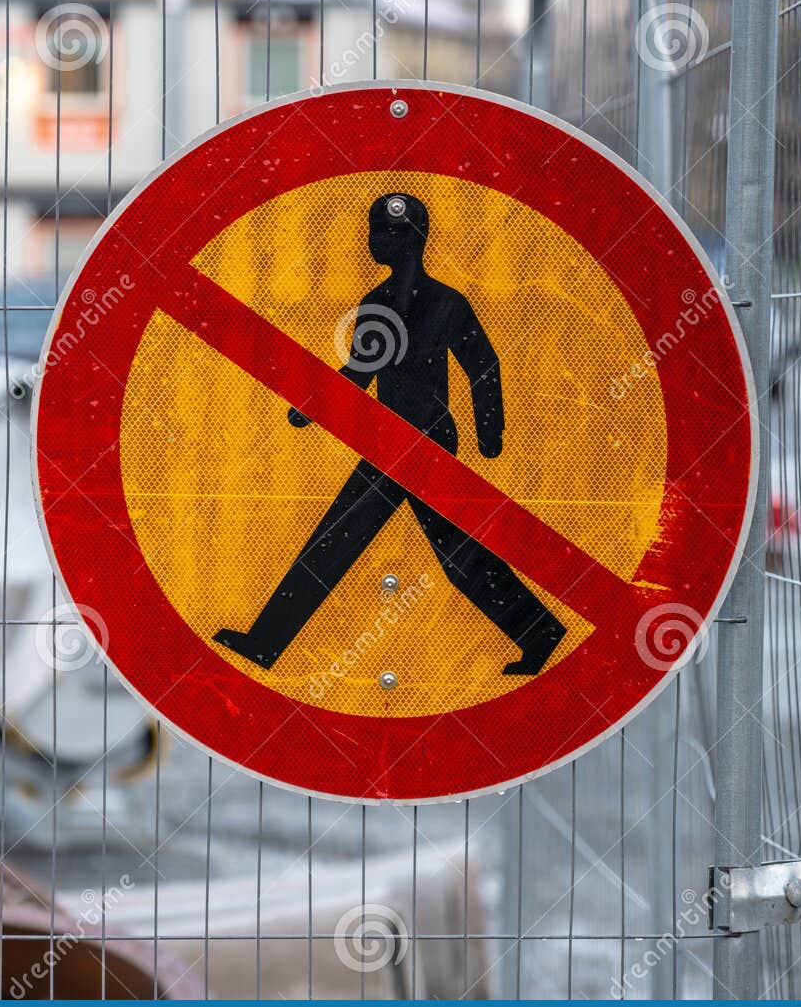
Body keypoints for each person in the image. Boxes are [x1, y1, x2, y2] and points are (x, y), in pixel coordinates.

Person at [213, 193, 567, 676]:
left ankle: (265, 643)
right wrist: (313, 408)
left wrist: (490, 433)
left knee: (355, 543)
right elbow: (362, 369)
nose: (377, 241)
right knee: (391, 545)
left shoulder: (447, 302)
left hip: (428, 441)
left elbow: (483, 364)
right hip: (386, 441)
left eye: (391, 233)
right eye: (375, 231)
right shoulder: (375, 304)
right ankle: (541, 632)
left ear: (416, 240)